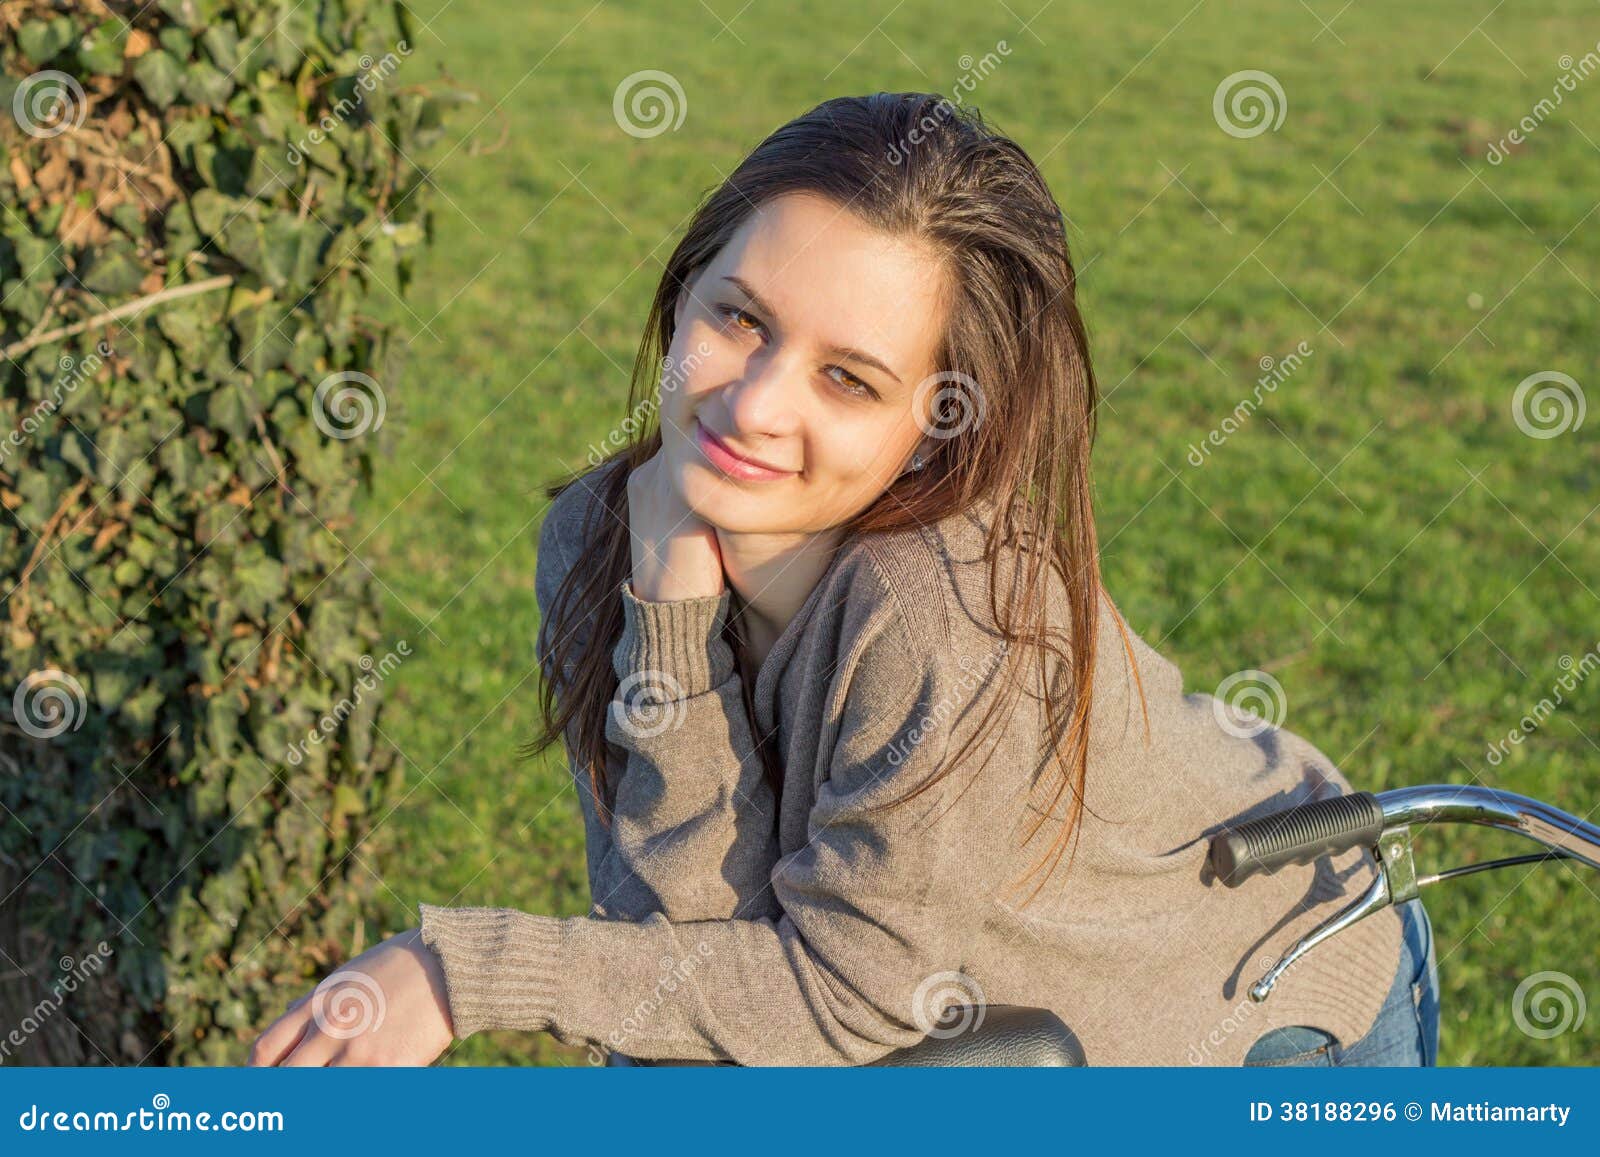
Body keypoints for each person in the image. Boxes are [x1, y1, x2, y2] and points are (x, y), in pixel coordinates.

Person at [247, 91, 1431, 1068]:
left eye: (849, 380)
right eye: (739, 318)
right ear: (685, 292)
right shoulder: (596, 539)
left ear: (936, 425)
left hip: (1249, 966)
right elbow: (694, 942)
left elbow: (846, 1000)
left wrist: (460, 969)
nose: (755, 405)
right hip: (972, 1033)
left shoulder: (943, 612)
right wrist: (668, 612)